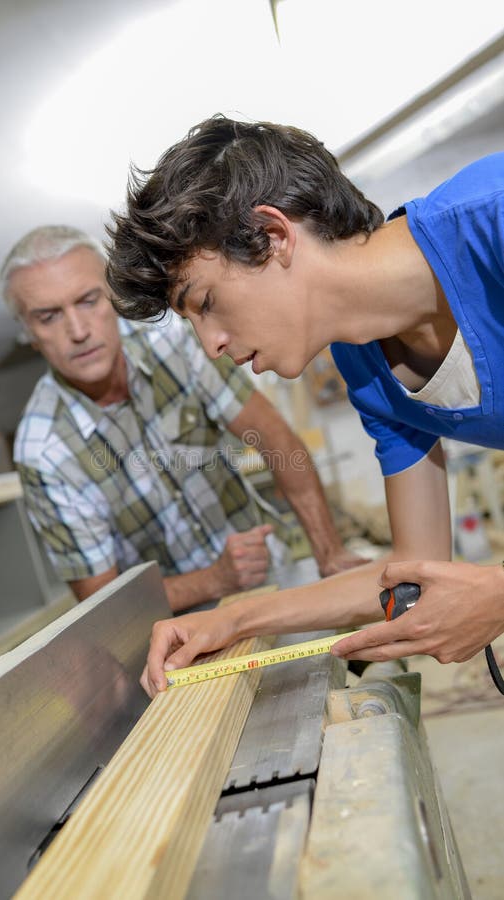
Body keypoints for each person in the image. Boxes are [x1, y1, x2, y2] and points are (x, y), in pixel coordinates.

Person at [105, 114, 504, 696]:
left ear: (273, 236)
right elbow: (415, 566)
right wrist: (236, 619)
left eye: (206, 302)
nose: (211, 345)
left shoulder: (492, 222)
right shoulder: (364, 368)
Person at [0, 225, 362, 611]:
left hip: (272, 570)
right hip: (170, 621)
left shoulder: (172, 338)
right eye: (48, 317)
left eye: (89, 300)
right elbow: (100, 599)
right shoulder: (42, 453)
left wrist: (330, 554)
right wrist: (215, 580)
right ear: (29, 334)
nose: (77, 331)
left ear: (112, 296)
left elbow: (274, 438)